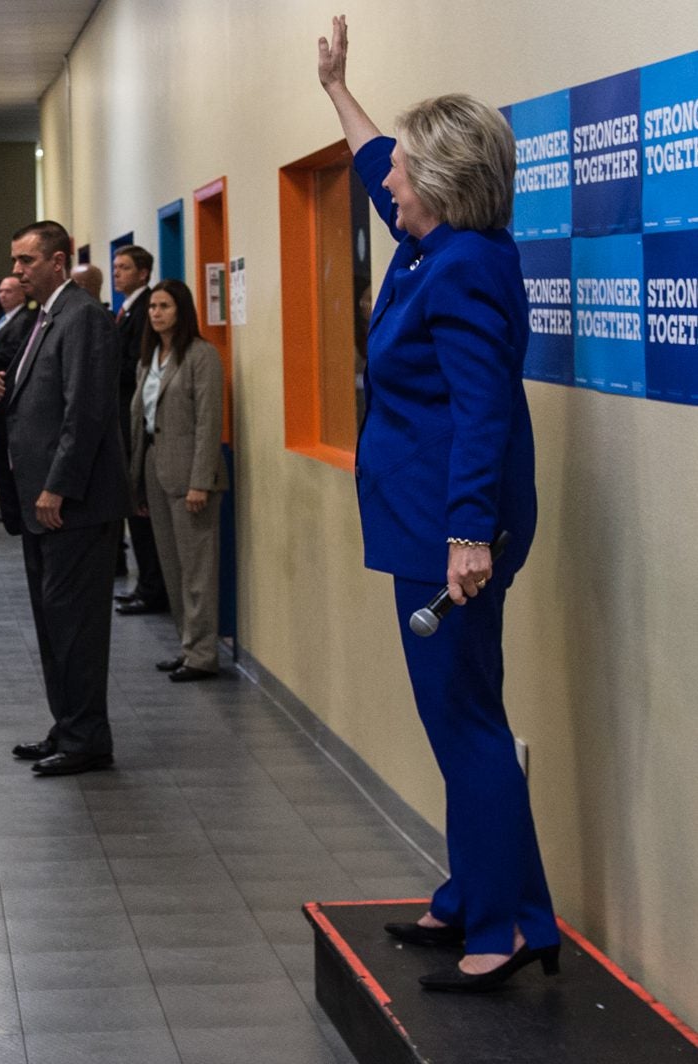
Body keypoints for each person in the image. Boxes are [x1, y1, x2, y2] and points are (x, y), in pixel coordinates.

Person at [317, 15, 554, 992]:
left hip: (450, 528)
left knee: (467, 724)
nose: (390, 183)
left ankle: (502, 928)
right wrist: (338, 89)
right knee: (461, 715)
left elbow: (482, 412)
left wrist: (465, 534)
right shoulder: (436, 247)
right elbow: (377, 158)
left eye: (408, 173)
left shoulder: (461, 270)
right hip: (429, 520)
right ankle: (487, 891)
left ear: (446, 184)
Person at [0, 221, 128, 778]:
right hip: (42, 504)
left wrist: (58, 485)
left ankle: (87, 737)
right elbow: (41, 400)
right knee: (54, 622)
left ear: (58, 260)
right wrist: (1, 397)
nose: (17, 270)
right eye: (16, 261)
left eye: (26, 261)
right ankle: (69, 724)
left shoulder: (83, 317)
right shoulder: (45, 318)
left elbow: (87, 412)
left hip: (73, 504)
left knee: (76, 626)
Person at [124, 279, 226, 682]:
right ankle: (188, 646)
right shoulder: (149, 358)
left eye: (164, 306)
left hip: (191, 476)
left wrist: (200, 481)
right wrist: (136, 482)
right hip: (154, 467)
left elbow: (208, 423)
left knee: (197, 569)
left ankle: (202, 654)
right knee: (171, 567)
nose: (156, 313)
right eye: (152, 307)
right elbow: (140, 420)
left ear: (181, 310)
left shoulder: (202, 356)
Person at [111, 245, 171, 615]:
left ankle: (152, 587)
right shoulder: (129, 309)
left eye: (125, 267)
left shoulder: (144, 308)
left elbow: (132, 362)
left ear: (144, 273)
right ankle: (146, 583)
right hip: (129, 419)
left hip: (140, 421)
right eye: (115, 267)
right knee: (137, 509)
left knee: (145, 515)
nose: (117, 273)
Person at [0, 275, 37, 530]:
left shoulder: (24, 319)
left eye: (8, 291)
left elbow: (14, 354)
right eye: (0, 291)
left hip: (9, 393)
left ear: (21, 294)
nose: (2, 295)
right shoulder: (4, 318)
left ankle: (14, 508)